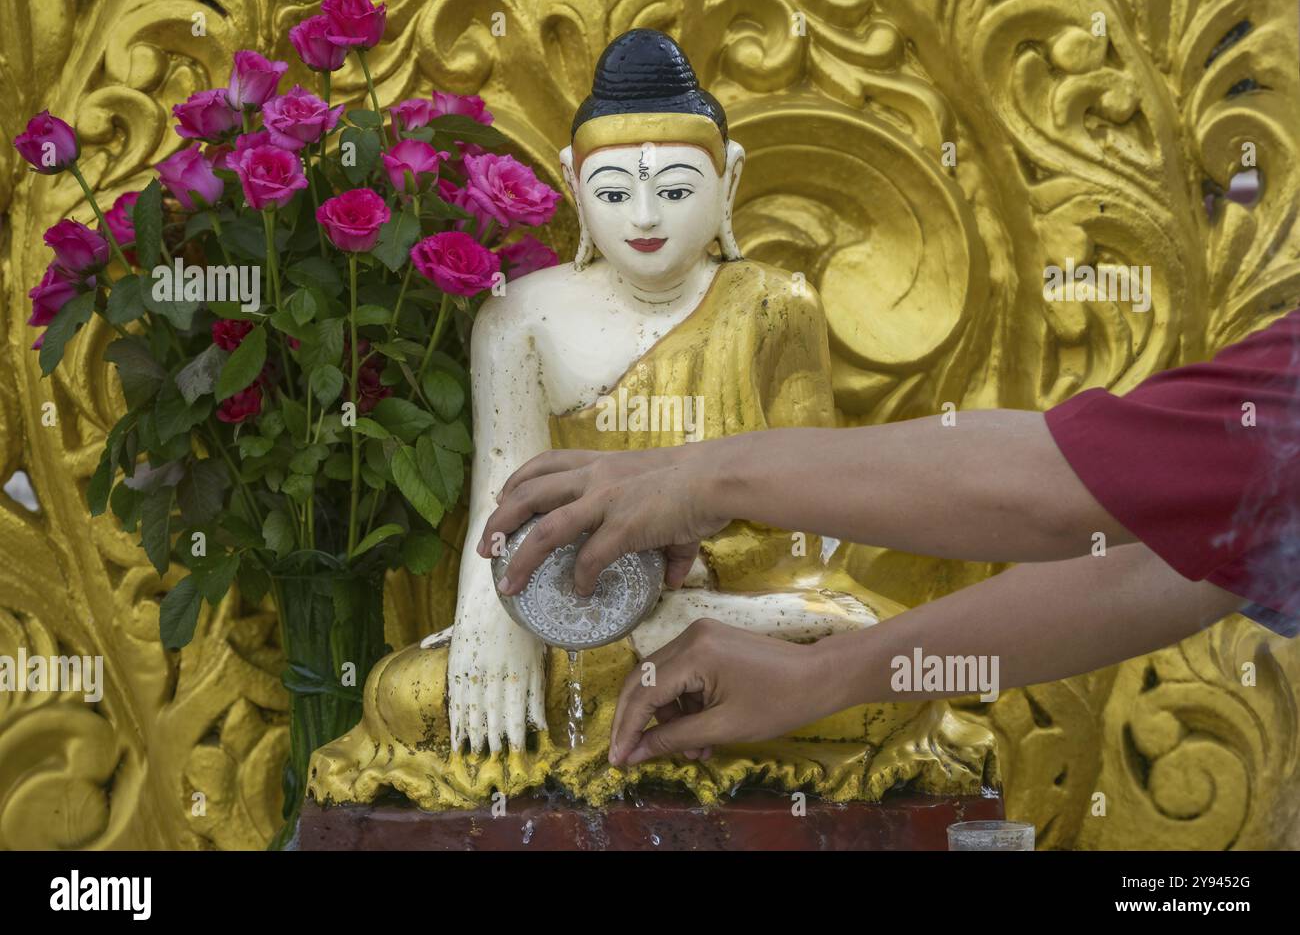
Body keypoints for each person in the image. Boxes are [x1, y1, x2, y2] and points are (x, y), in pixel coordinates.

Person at [479, 307, 1300, 768]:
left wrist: (699, 482)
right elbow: (1172, 566)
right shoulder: (522, 320)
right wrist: (832, 673)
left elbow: (1054, 492)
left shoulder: (773, 306)